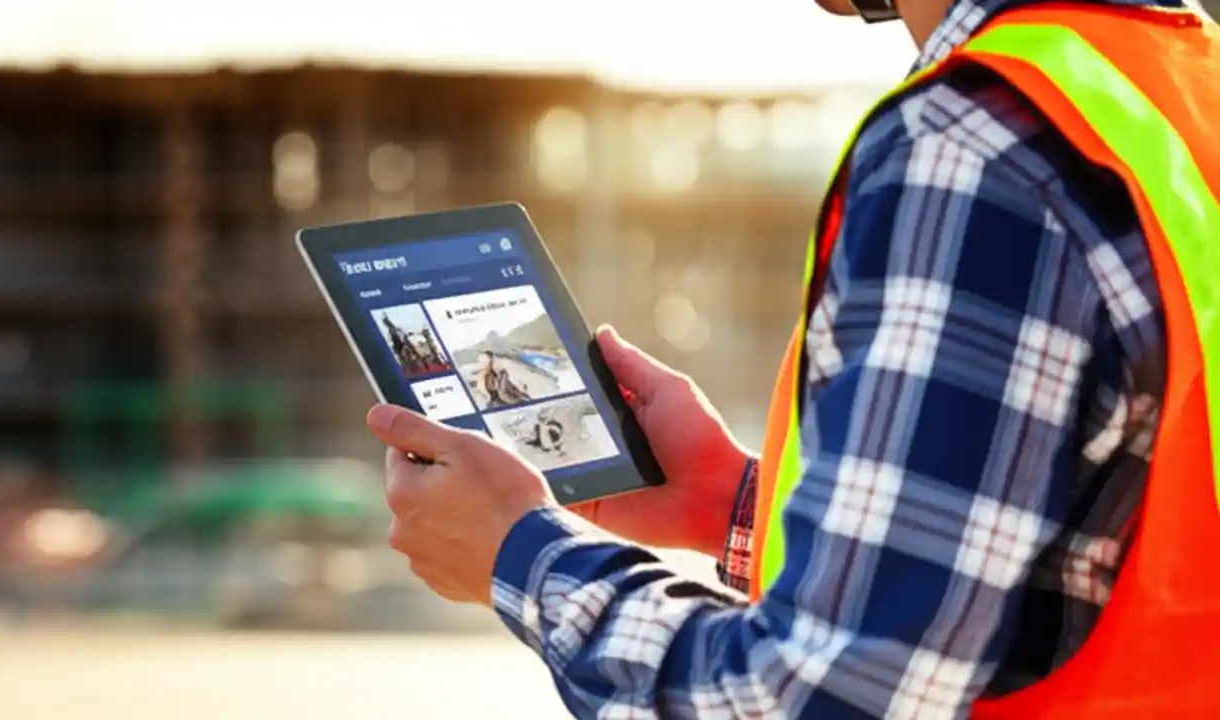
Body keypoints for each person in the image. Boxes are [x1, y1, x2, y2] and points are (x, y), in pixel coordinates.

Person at [365, 0, 1220, 715]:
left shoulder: (972, 150)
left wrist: (520, 557)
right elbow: (1105, 540)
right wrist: (731, 507)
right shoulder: (1174, 86)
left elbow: (822, 699)